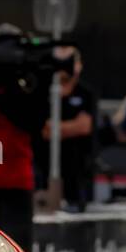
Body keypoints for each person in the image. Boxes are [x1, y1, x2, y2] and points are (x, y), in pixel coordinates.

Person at [0, 24, 49, 250]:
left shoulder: (15, 86)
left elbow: (34, 122)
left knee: (15, 241)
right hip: (2, 172)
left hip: (13, 172)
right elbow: (31, 122)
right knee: (7, 243)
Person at [43, 46, 96, 210]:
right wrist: (72, 126)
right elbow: (44, 130)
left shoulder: (86, 93)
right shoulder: (44, 92)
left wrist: (56, 128)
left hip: (79, 168)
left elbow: (85, 126)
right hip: (46, 166)